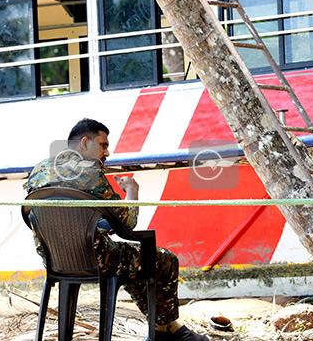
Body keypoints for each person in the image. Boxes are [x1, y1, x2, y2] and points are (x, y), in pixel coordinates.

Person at [24, 118, 209, 341]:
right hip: (97, 259)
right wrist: (132, 191)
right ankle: (166, 330)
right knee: (163, 259)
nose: (107, 153)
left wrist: (97, 224)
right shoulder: (89, 172)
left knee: (135, 263)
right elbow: (128, 223)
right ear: (84, 142)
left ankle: (166, 328)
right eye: (103, 145)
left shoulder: (39, 169)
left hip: (55, 259)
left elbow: (59, 215)